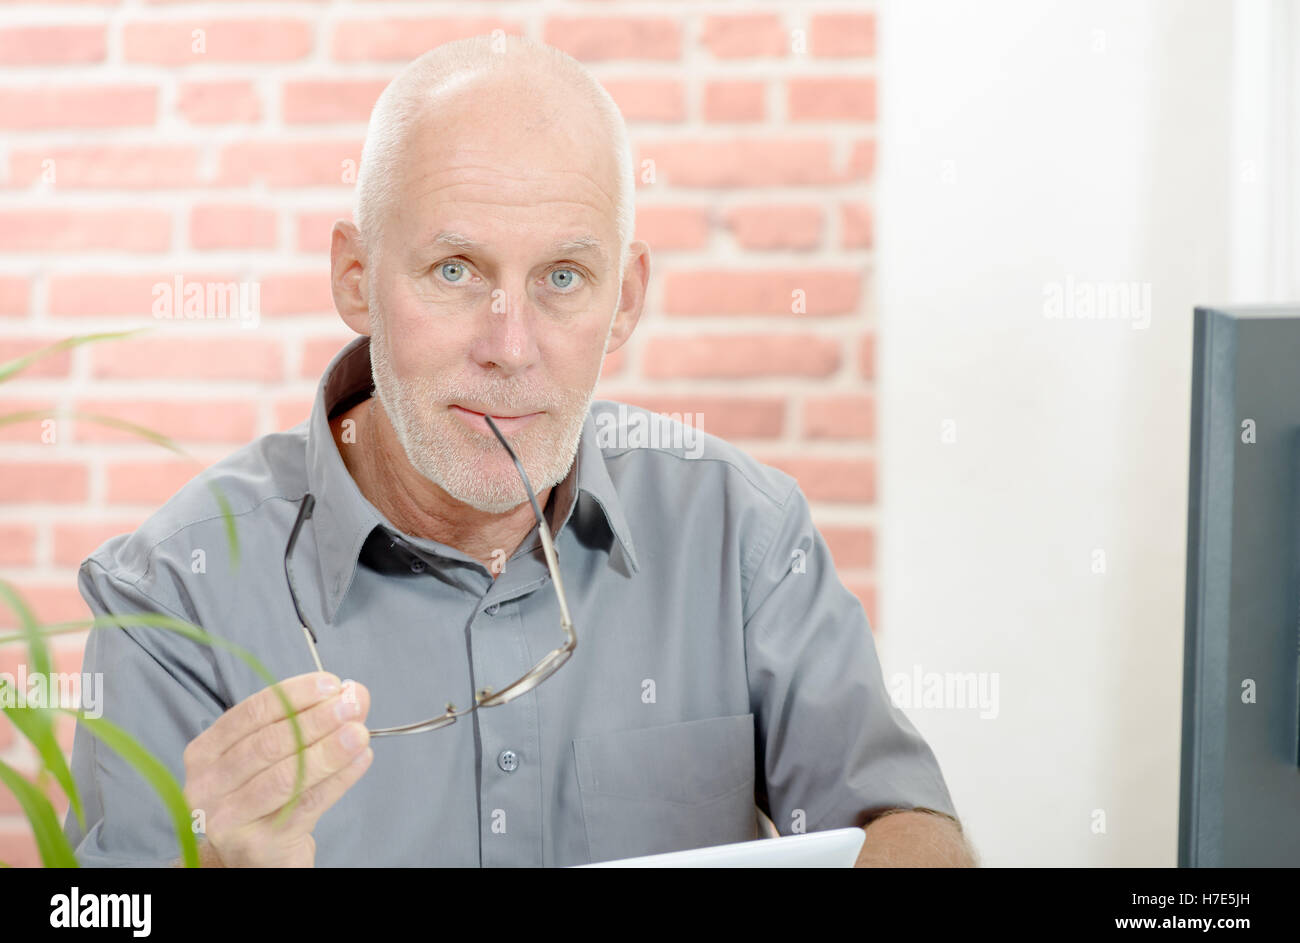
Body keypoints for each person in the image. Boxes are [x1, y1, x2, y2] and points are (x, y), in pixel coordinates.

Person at [64, 34, 975, 867]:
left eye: (564, 278)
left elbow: (900, 817)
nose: (510, 345)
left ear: (624, 302)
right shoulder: (169, 593)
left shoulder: (743, 534)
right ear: (355, 279)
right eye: (455, 271)